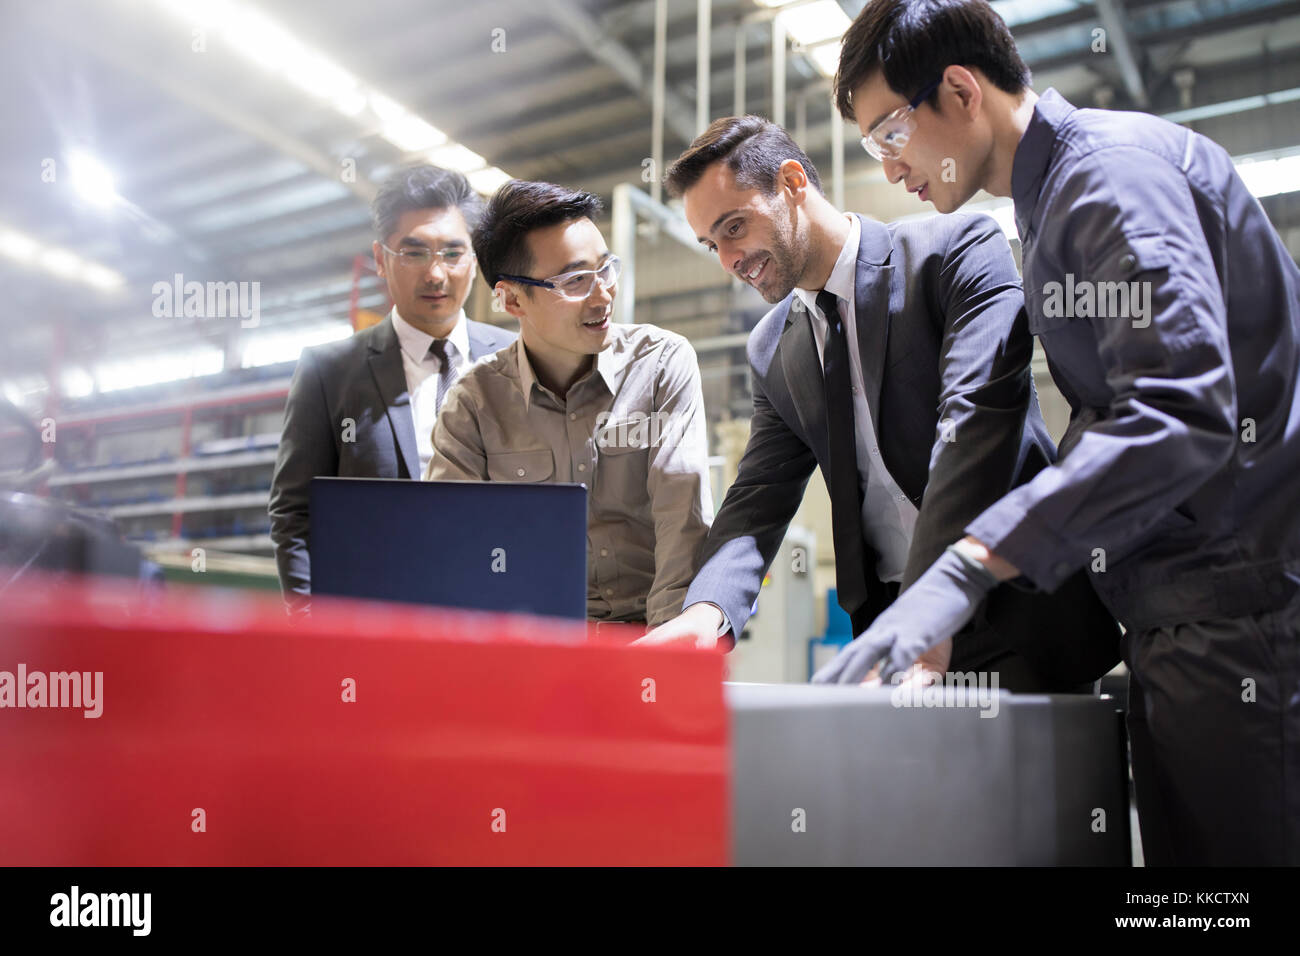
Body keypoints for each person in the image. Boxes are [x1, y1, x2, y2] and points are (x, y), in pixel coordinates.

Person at [821, 0, 1300, 865]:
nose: (889, 168)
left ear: (961, 90)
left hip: (1242, 617)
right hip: (1182, 616)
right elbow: (1110, 417)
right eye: (873, 145)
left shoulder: (1107, 180)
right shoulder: (1047, 205)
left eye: (889, 132)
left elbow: (1177, 410)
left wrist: (973, 561)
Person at [637, 116, 1118, 692]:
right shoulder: (772, 346)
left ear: (792, 182)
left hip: (1017, 607)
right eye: (712, 244)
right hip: (890, 630)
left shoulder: (954, 251)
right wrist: (707, 612)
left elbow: (973, 429)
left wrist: (931, 599)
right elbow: (758, 497)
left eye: (734, 227)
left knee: (1043, 783)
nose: (729, 260)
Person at [426, 180, 714, 628]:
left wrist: (665, 653)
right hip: (536, 647)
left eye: (606, 269)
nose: (602, 294)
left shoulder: (660, 365)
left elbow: (683, 520)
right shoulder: (473, 404)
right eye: (576, 280)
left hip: (651, 630)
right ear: (512, 298)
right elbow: (454, 553)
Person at [268, 164, 516, 609]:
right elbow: (294, 513)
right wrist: (309, 623)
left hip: (493, 615)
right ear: (381, 260)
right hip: (374, 623)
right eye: (414, 252)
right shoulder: (328, 371)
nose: (436, 274)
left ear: (475, 261)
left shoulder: (518, 359)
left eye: (453, 253)